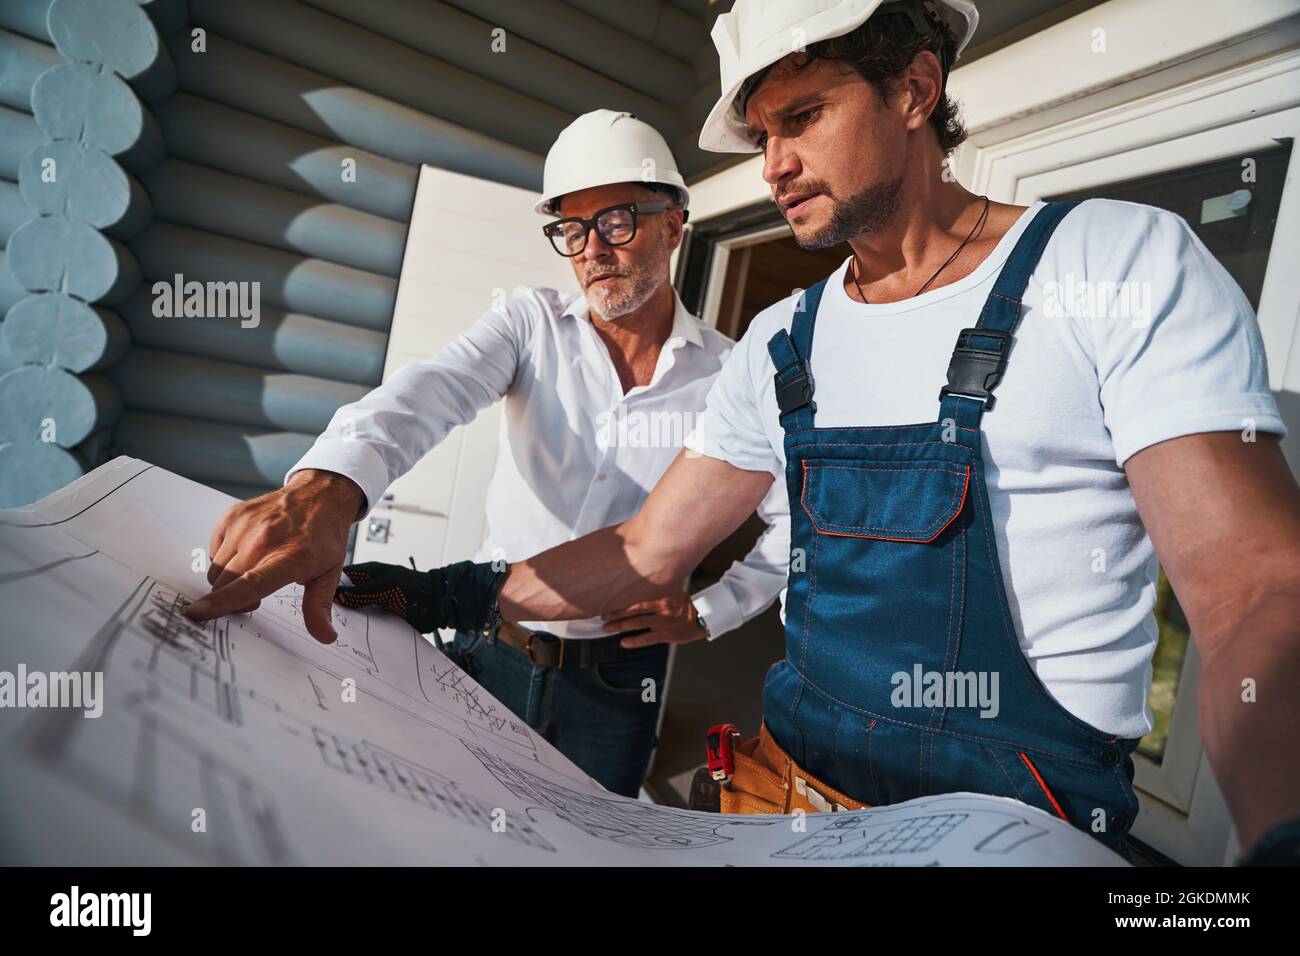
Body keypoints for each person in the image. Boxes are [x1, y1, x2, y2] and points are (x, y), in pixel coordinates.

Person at [189, 0, 1300, 862]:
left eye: (802, 117)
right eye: (762, 132)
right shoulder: (785, 340)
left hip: (1021, 828)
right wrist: (438, 584)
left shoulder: (1110, 266)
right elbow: (638, 551)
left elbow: (1255, 595)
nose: (769, 166)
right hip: (786, 811)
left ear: (917, 87)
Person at [185, 109, 790, 797]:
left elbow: (793, 519)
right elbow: (429, 392)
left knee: (589, 845)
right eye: (571, 228)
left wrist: (712, 611)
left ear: (674, 224)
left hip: (621, 681)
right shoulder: (528, 324)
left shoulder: (730, 374)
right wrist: (326, 486)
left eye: (616, 221)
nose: (592, 248)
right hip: (489, 647)